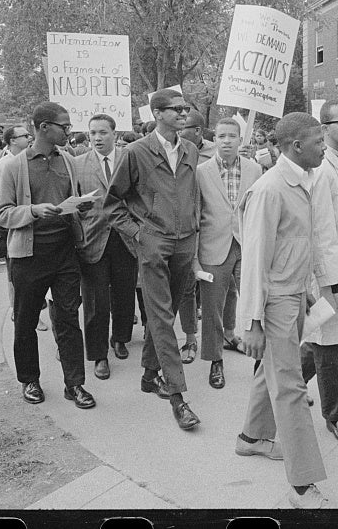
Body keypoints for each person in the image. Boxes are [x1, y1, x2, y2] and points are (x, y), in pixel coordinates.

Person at [236, 112, 330, 509]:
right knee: (291, 389)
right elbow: (255, 261)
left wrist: (307, 288)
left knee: (273, 371)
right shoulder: (270, 189)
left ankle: (252, 437)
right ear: (296, 146)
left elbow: (295, 245)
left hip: (292, 296)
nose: (324, 148)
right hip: (274, 304)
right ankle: (302, 486)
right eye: (318, 142)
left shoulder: (302, 180)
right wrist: (252, 322)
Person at [105, 88, 201, 430]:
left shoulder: (190, 149)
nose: (184, 113)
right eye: (176, 109)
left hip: (184, 243)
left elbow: (192, 195)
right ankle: (177, 396)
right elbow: (112, 205)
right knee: (160, 317)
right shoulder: (135, 152)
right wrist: (139, 235)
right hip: (154, 244)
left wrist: (193, 231)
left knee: (167, 313)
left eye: (185, 108)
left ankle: (149, 375)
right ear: (157, 113)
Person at [0, 102, 95, 409]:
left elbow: (72, 200)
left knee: (68, 319)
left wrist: (81, 207)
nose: (69, 131)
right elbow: (2, 214)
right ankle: (30, 380)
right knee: (26, 321)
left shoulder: (69, 160)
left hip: (65, 252)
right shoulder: (14, 166)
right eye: (64, 126)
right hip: (29, 256)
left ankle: (74, 384)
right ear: (43, 127)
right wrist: (33, 211)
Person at [300, 100, 338, 447]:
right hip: (330, 276)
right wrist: (335, 285)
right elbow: (322, 234)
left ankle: (277, 384)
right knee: (329, 346)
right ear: (324, 129)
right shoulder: (323, 171)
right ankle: (336, 416)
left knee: (319, 339)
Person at [194, 117, 262, 389]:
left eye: (231, 136)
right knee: (212, 307)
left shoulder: (255, 169)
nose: (226, 141)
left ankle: (262, 364)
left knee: (257, 302)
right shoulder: (201, 172)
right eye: (221, 136)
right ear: (214, 140)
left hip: (247, 246)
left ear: (240, 140)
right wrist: (194, 257)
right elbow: (196, 214)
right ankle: (215, 361)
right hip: (213, 246)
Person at [73, 113, 138, 381]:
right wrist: (79, 211)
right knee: (95, 301)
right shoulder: (77, 164)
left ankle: (120, 338)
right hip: (93, 239)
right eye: (93, 133)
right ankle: (98, 355)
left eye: (103, 132)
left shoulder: (129, 159)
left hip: (125, 239)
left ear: (115, 134)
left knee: (124, 293)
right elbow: (71, 202)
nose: (97, 138)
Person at [0, 123, 47, 332]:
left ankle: (33, 310)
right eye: (24, 135)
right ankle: (19, 311)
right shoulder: (1, 166)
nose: (29, 138)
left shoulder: (33, 162)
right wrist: (7, 219)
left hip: (37, 226)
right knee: (15, 275)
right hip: (13, 227)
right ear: (12, 140)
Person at [176, 110, 216, 363]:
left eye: (184, 126)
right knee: (187, 287)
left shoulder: (216, 152)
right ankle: (190, 339)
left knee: (218, 287)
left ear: (198, 131)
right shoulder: (174, 151)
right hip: (187, 226)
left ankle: (223, 335)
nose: (179, 130)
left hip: (213, 229)